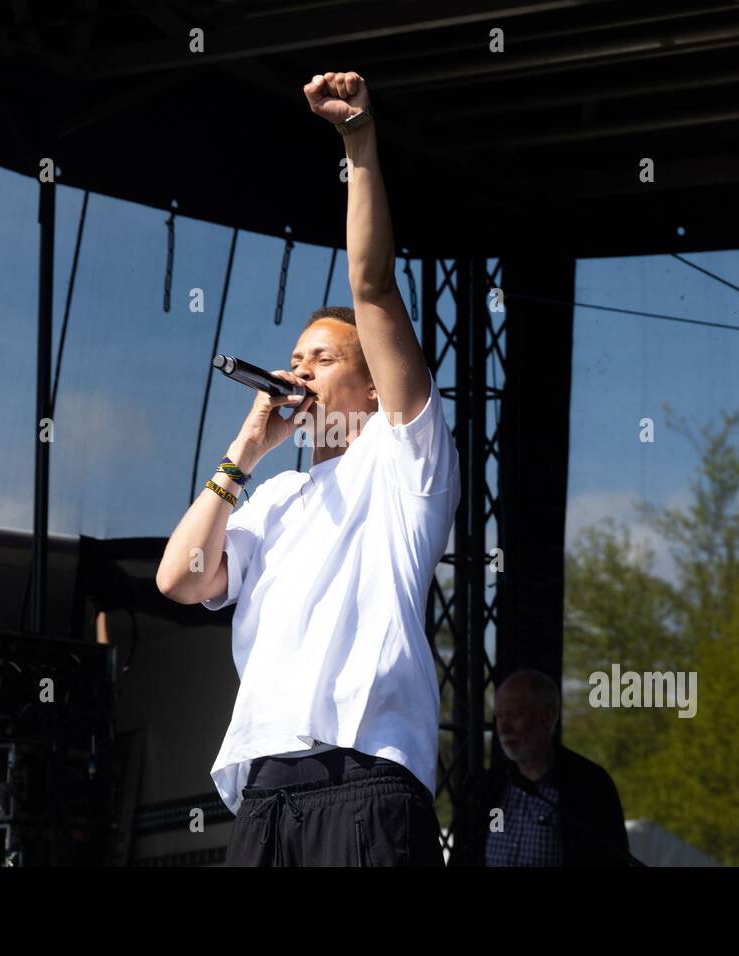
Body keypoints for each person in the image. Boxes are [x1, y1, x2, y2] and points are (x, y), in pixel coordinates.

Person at [156, 71, 460, 866]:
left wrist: (357, 142)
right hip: (267, 793)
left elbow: (373, 285)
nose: (299, 372)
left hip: (367, 783)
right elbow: (181, 582)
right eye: (294, 359)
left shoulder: (403, 462)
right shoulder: (277, 497)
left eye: (322, 358)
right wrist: (243, 455)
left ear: (368, 384)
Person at [456, 669, 633, 867]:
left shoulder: (589, 786)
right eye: (499, 716)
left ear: (547, 716)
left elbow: (616, 860)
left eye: (514, 714)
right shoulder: (488, 785)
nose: (503, 728)